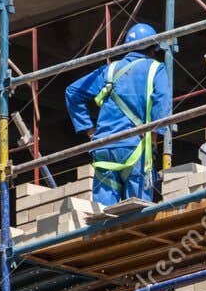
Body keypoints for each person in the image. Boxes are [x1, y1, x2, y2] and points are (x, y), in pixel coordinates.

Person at [64, 23, 173, 207]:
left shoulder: (110, 70)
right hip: (136, 146)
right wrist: (154, 136)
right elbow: (162, 102)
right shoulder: (156, 69)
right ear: (153, 49)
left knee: (105, 213)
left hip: (104, 147)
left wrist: (89, 130)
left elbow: (73, 92)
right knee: (137, 212)